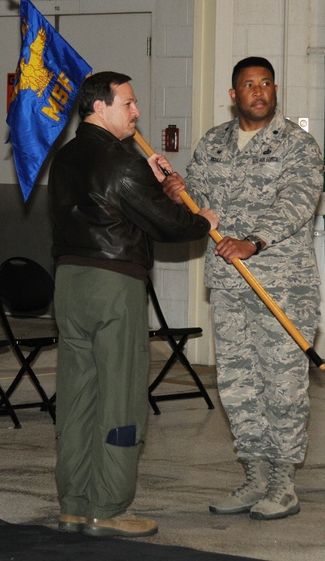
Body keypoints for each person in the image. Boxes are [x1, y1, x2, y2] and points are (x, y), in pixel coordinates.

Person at [49, 71, 218, 538]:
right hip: (113, 285)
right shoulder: (122, 162)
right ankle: (108, 507)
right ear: (99, 107)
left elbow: (117, 209)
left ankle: (73, 504)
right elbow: (167, 225)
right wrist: (201, 221)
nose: (136, 112)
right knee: (120, 395)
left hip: (69, 284)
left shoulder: (64, 158)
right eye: (128, 103)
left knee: (78, 396)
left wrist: (154, 184)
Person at [163, 56, 323, 521]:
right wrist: (179, 193)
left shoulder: (297, 144)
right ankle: (255, 476)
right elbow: (199, 201)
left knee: (282, 384)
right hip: (229, 286)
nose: (259, 91)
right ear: (234, 95)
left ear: (275, 90)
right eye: (249, 85)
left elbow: (297, 202)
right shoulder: (213, 143)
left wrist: (254, 241)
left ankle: (283, 483)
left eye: (266, 83)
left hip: (282, 286)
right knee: (237, 384)